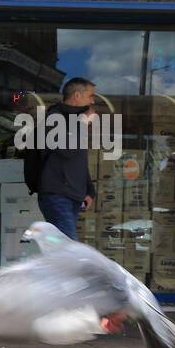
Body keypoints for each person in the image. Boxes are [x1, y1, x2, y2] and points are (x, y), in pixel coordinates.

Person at [37, 77, 98, 240]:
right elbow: (67, 151)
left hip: (72, 196)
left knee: (63, 250)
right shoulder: (54, 118)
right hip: (57, 195)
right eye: (90, 96)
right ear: (77, 95)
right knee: (69, 250)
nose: (92, 101)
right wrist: (83, 123)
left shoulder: (74, 121)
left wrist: (89, 190)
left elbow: (78, 160)